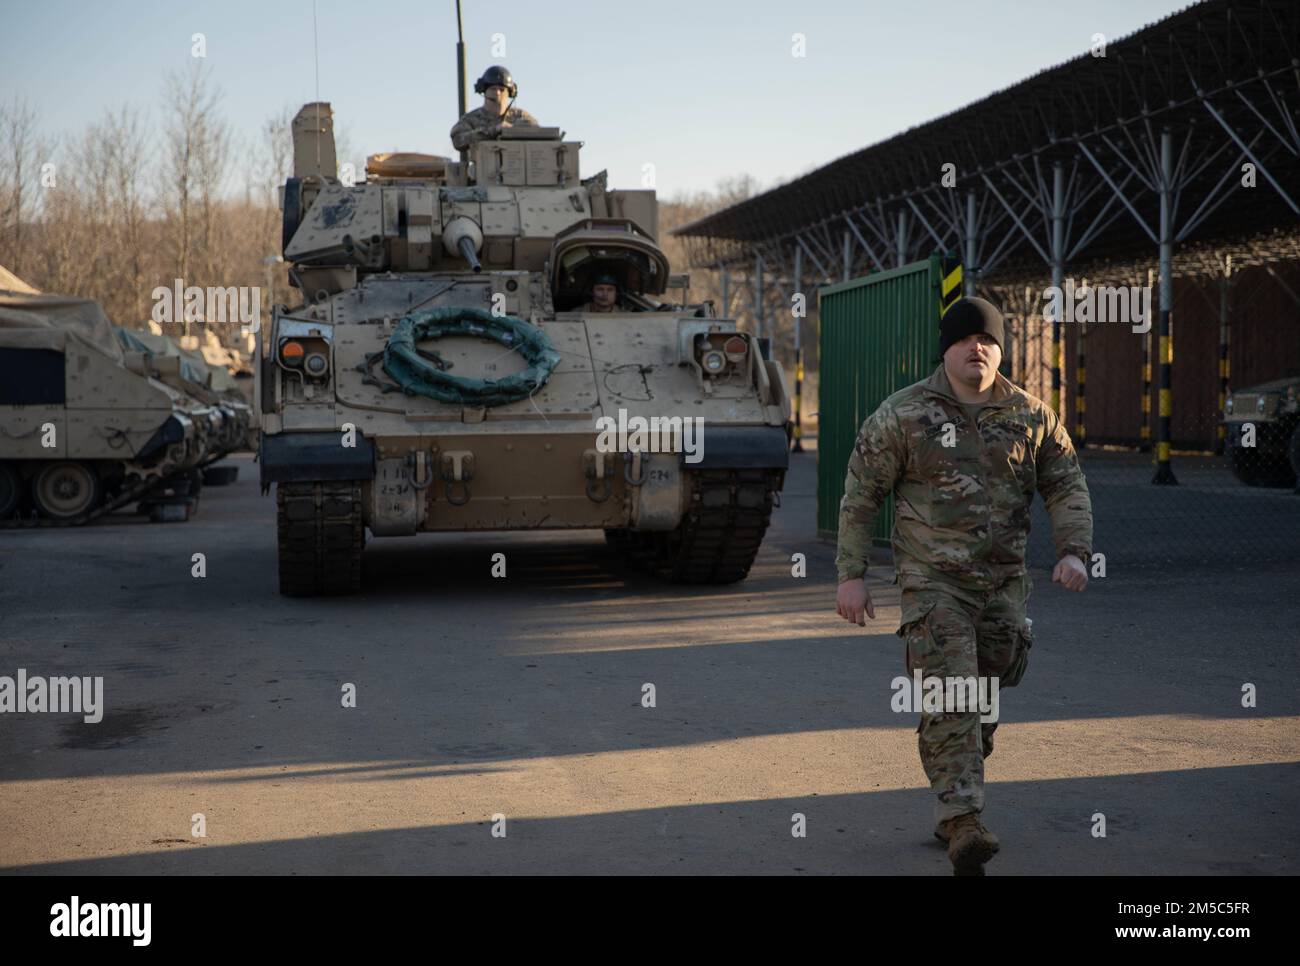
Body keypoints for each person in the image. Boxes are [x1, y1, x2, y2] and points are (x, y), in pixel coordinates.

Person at [833, 296, 1093, 876]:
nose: (977, 347)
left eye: (988, 339)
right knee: (953, 692)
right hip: (933, 584)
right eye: (964, 339)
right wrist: (852, 576)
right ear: (945, 348)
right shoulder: (903, 415)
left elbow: (1066, 484)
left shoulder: (1033, 415)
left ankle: (956, 788)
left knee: (986, 695)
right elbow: (860, 497)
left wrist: (1075, 550)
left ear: (999, 349)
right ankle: (962, 817)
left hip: (1003, 585)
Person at [450, 66, 539, 152]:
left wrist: (516, 130)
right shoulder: (471, 119)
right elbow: (458, 140)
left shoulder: (520, 116)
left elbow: (540, 134)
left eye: (502, 89)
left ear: (511, 92)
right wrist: (493, 131)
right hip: (484, 164)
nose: (497, 92)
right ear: (484, 90)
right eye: (493, 88)